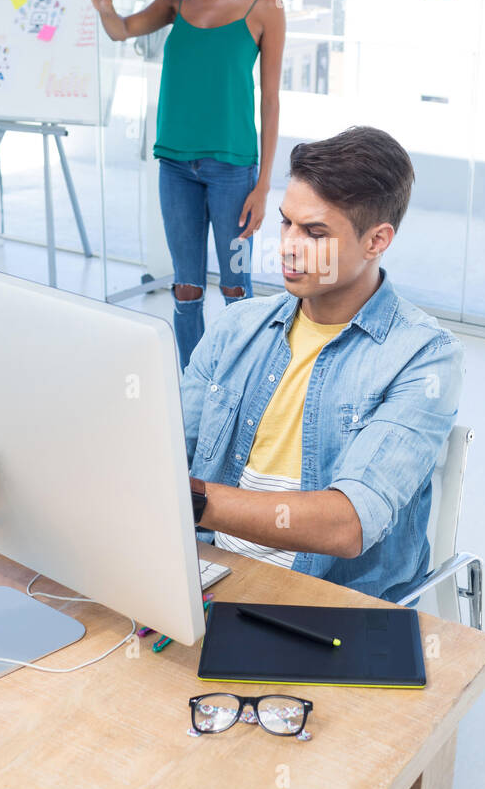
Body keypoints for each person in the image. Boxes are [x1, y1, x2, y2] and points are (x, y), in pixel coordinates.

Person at [181, 125, 465, 604]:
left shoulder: (423, 357)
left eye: (314, 232)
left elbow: (347, 524)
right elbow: (169, 451)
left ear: (376, 241)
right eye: (286, 223)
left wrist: (186, 501)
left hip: (330, 606)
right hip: (213, 578)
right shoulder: (237, 328)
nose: (288, 246)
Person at [83, 0, 284, 369]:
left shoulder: (265, 8)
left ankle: (243, 379)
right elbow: (121, 30)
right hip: (174, 165)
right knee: (186, 285)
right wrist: (104, 4)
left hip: (233, 170)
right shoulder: (175, 3)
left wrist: (262, 185)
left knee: (237, 286)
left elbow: (272, 100)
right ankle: (194, 382)